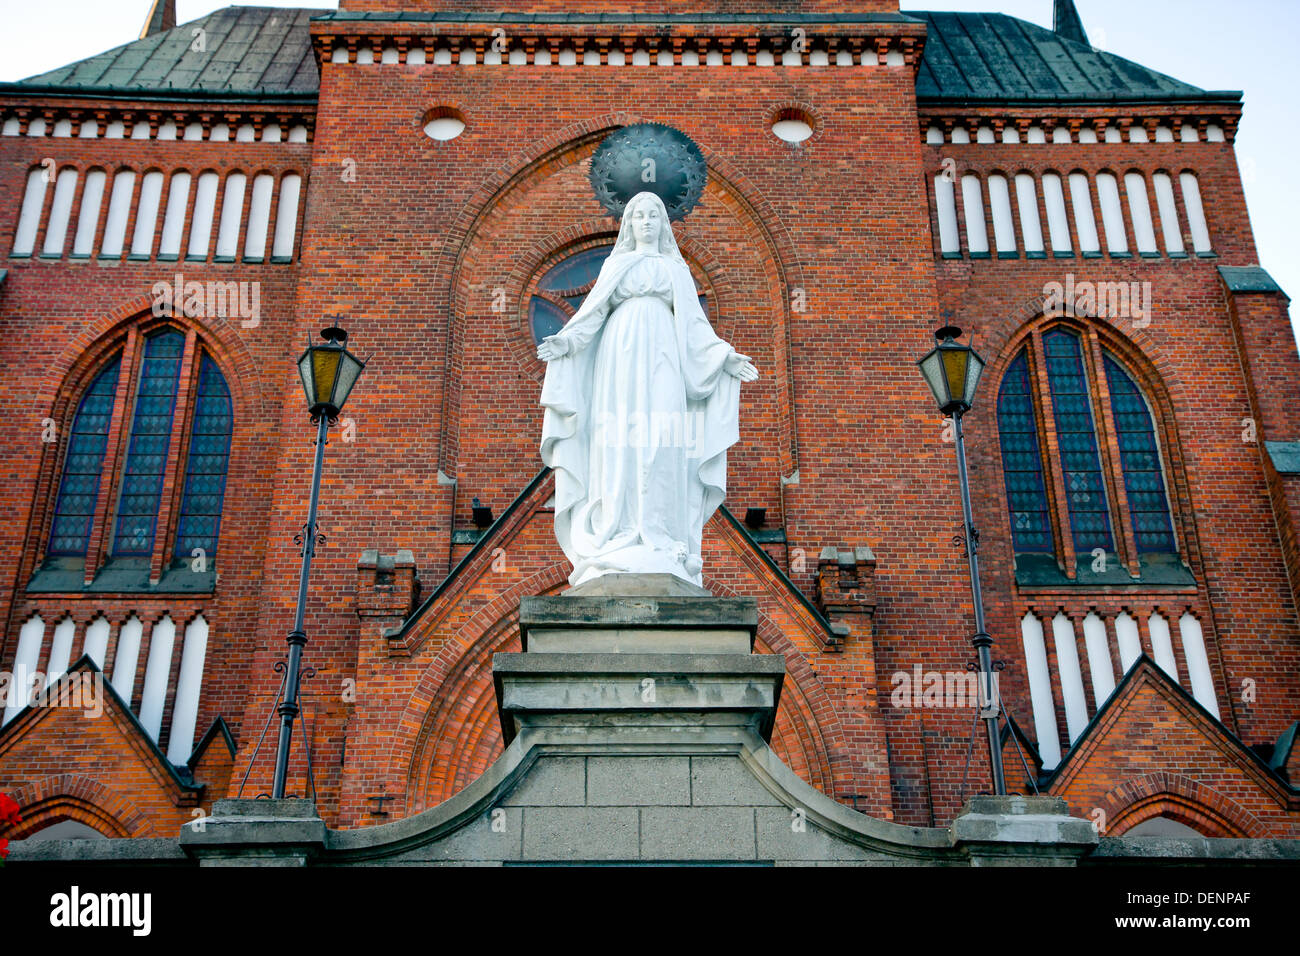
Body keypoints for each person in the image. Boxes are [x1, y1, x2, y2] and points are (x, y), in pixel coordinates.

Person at [537, 191, 758, 587]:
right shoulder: (616, 266)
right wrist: (565, 342)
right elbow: (591, 316)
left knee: (661, 438)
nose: (647, 222)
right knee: (619, 439)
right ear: (628, 225)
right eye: (638, 216)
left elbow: (693, 327)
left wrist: (724, 357)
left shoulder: (675, 271)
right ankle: (617, 531)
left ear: (663, 224)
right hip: (618, 358)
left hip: (664, 358)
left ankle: (660, 533)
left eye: (654, 215)